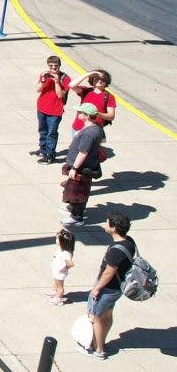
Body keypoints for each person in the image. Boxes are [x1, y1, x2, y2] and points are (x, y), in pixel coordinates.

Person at [83, 211, 136, 358]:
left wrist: (96, 288)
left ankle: (98, 349)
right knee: (107, 314)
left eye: (107, 223)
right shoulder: (129, 241)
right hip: (117, 288)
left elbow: (109, 272)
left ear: (113, 228)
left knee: (96, 317)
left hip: (107, 288)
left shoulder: (115, 251)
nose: (105, 225)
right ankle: (101, 341)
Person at [60, 102, 106, 227]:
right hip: (84, 166)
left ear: (87, 115)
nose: (78, 113)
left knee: (77, 193)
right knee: (74, 190)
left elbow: (83, 152)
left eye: (81, 112)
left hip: (82, 168)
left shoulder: (89, 133)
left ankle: (77, 217)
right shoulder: (95, 127)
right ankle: (72, 208)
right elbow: (102, 141)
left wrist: (75, 168)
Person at [34, 55, 70, 163]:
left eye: (56, 65)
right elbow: (38, 90)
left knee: (51, 133)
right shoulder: (45, 75)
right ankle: (43, 149)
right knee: (42, 130)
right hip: (42, 107)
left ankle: (50, 155)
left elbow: (60, 95)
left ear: (59, 65)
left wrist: (57, 82)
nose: (53, 68)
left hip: (55, 111)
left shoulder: (65, 78)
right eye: (51, 66)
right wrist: (43, 80)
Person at [48, 228, 76, 305]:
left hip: (60, 272)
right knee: (56, 283)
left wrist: (66, 267)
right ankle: (55, 291)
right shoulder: (62, 249)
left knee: (60, 286)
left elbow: (71, 264)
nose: (56, 240)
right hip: (57, 271)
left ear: (63, 242)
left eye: (57, 239)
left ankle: (58, 298)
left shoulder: (66, 254)